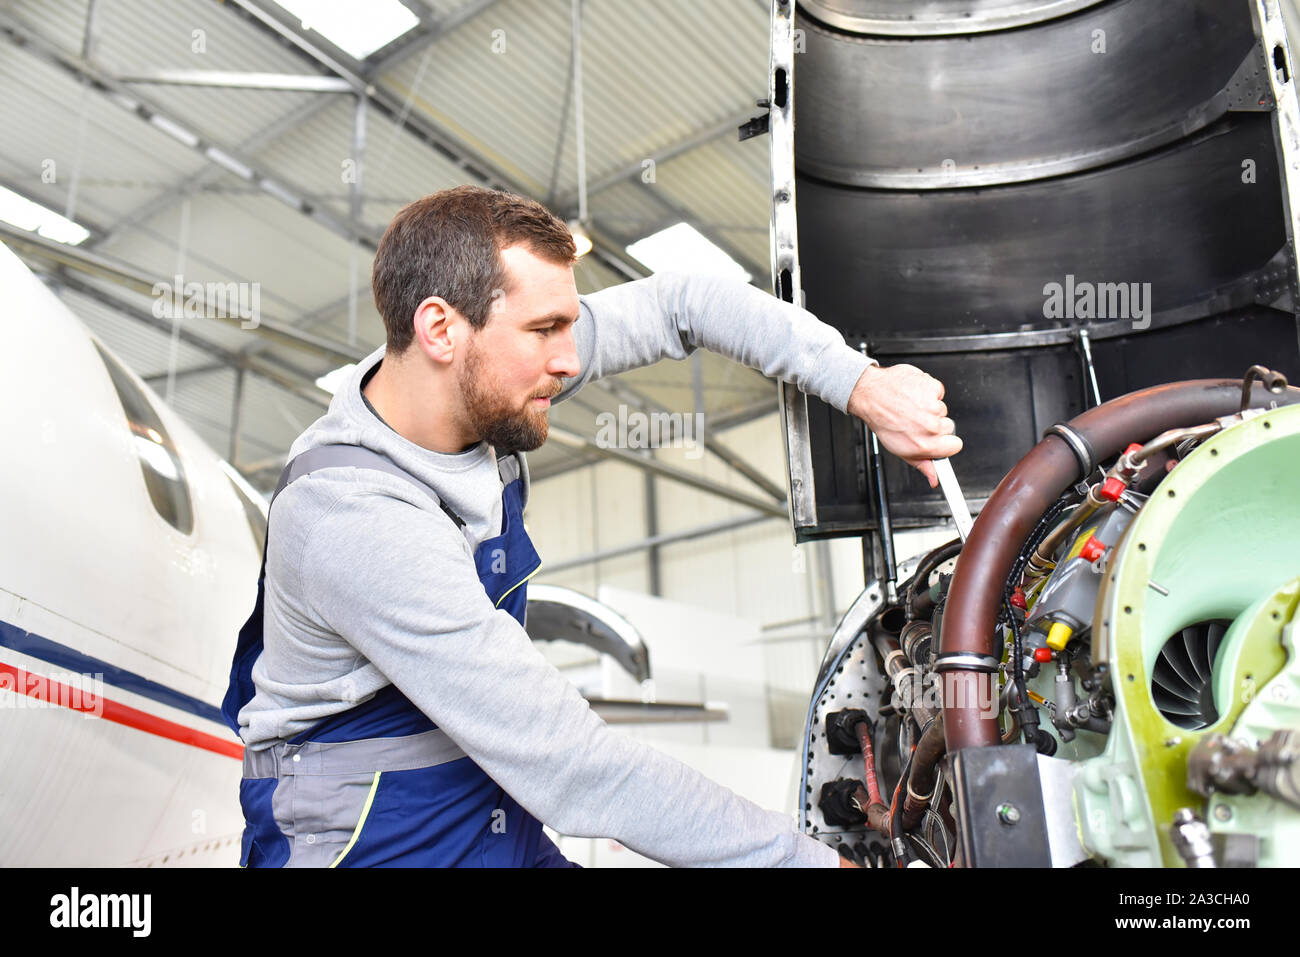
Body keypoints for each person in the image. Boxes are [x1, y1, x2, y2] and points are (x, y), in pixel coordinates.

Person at [222, 185, 961, 868]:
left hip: (483, 794)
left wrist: (860, 383)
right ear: (440, 328)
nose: (571, 360)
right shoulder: (353, 518)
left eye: (570, 325)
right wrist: (810, 861)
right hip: (369, 834)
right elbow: (573, 766)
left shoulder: (473, 377)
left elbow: (683, 304)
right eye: (545, 330)